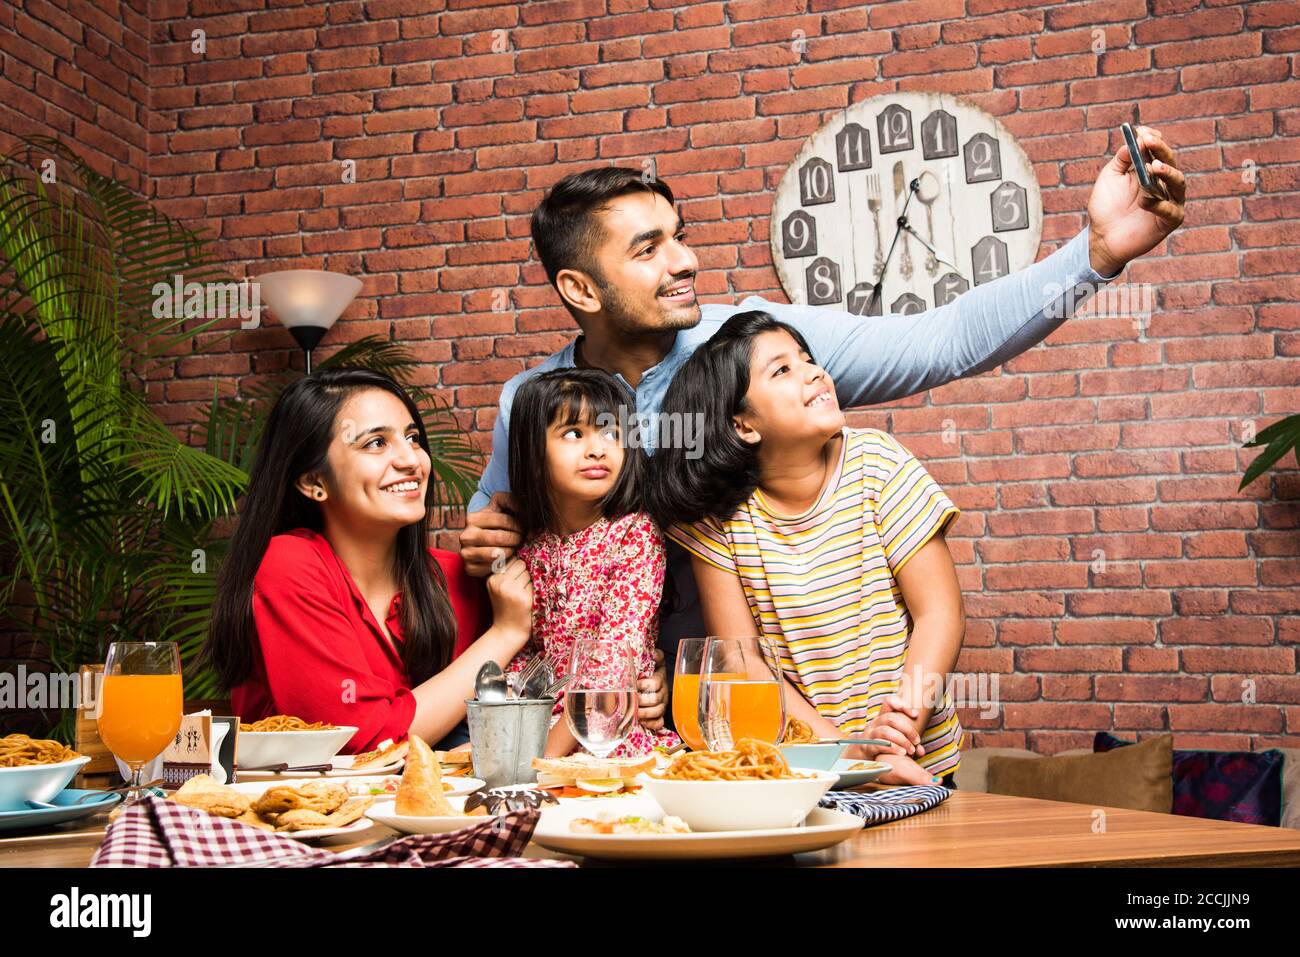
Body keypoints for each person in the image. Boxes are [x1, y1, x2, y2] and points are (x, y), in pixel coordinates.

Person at [459, 128, 1186, 695]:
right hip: (600, 719)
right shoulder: (531, 402)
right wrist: (490, 539)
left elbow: (946, 339)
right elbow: (497, 552)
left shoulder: (751, 346)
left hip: (756, 715)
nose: (683, 261)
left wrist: (1093, 257)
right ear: (581, 290)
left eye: (680, 236)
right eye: (648, 249)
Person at [648, 312, 965, 786]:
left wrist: (899, 726)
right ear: (743, 425)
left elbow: (940, 613)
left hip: (916, 766)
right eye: (782, 370)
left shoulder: (878, 463)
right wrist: (843, 754)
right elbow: (743, 660)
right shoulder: (721, 519)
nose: (814, 372)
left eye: (808, 359)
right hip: (808, 773)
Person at [203, 368, 536, 753]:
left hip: (431, 808)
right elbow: (362, 739)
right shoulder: (288, 564)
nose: (411, 459)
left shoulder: (456, 578)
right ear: (314, 482)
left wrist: (531, 526)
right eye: (376, 443)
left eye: (412, 438)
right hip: (302, 807)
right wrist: (505, 634)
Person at [505, 367, 681, 758]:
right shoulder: (532, 548)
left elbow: (613, 661)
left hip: (609, 732)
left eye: (611, 433)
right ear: (532, 452)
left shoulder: (634, 536)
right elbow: (526, 661)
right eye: (573, 433)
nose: (598, 448)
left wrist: (542, 763)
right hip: (542, 729)